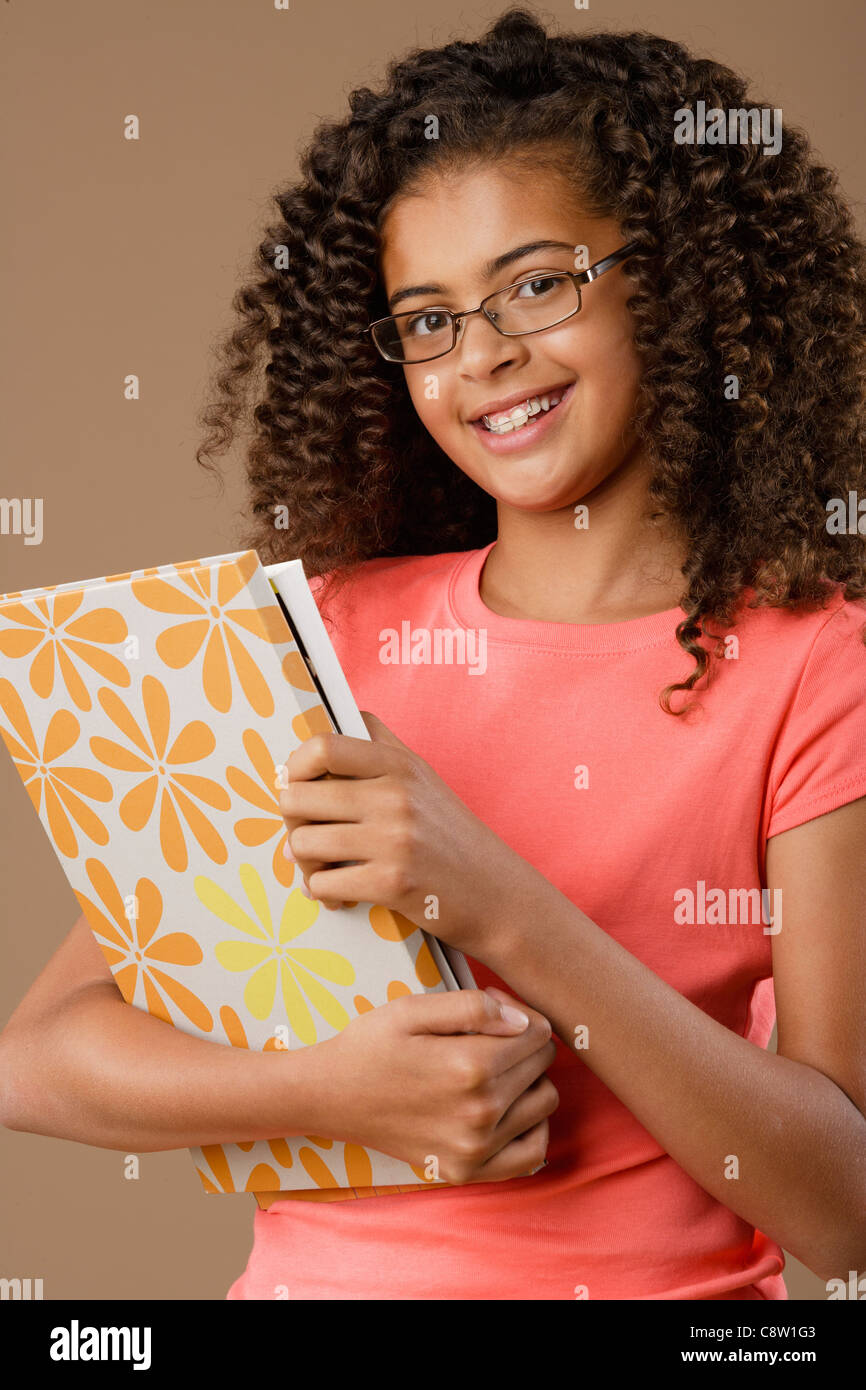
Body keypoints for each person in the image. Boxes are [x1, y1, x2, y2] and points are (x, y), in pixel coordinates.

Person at [3, 7, 866, 1300]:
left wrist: (497, 898)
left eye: (535, 283)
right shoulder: (331, 636)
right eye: (426, 318)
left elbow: (843, 1209)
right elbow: (41, 1055)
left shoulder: (815, 667)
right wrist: (329, 1092)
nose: (483, 357)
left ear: (675, 280)